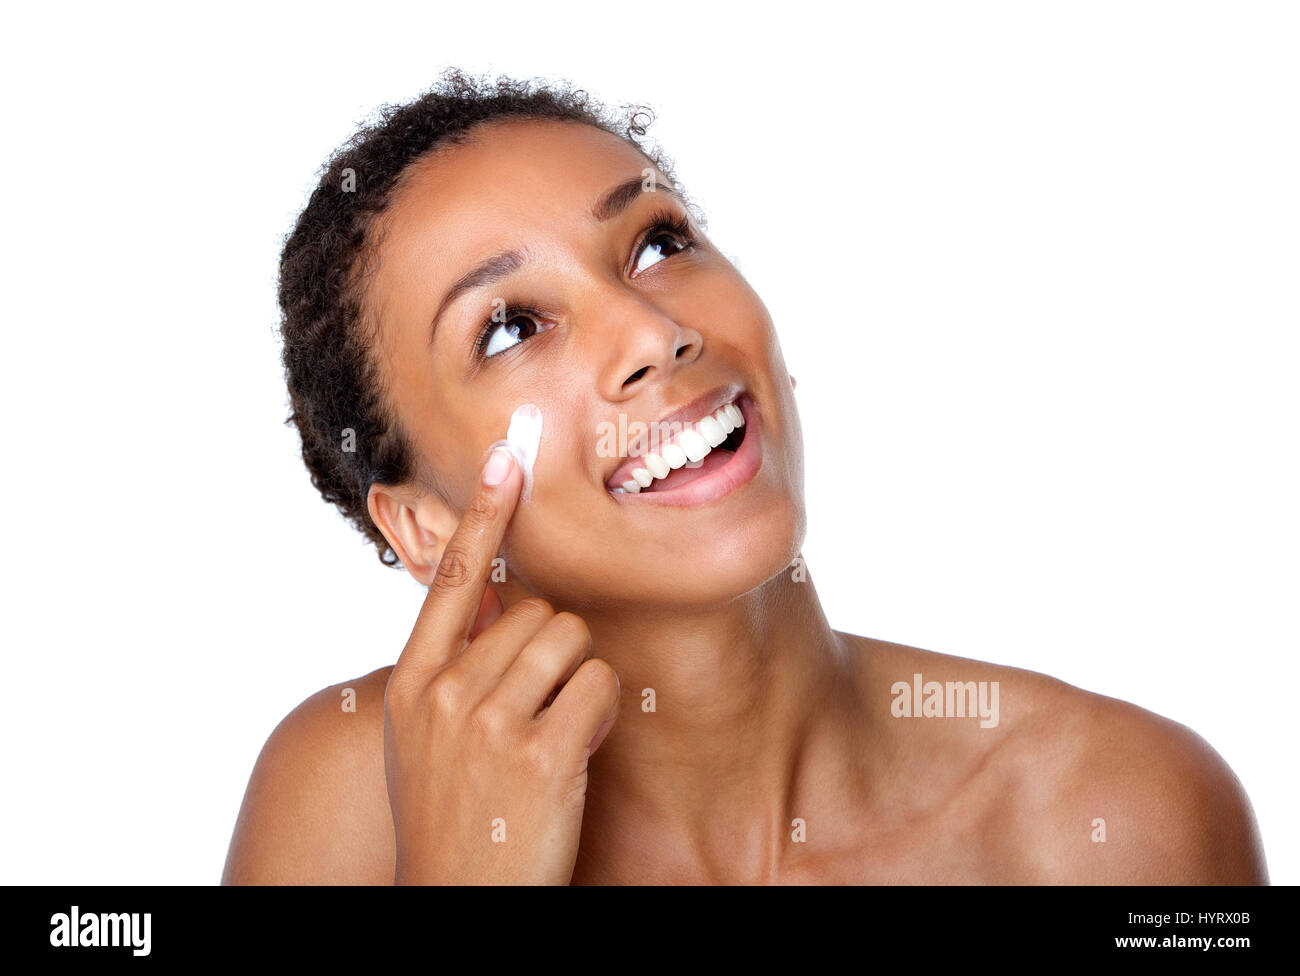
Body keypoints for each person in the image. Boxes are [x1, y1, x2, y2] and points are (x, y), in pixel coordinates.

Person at [222, 69, 1268, 884]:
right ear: (422, 524)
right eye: (509, 328)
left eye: (656, 242)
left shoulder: (1118, 816)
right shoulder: (355, 800)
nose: (653, 330)